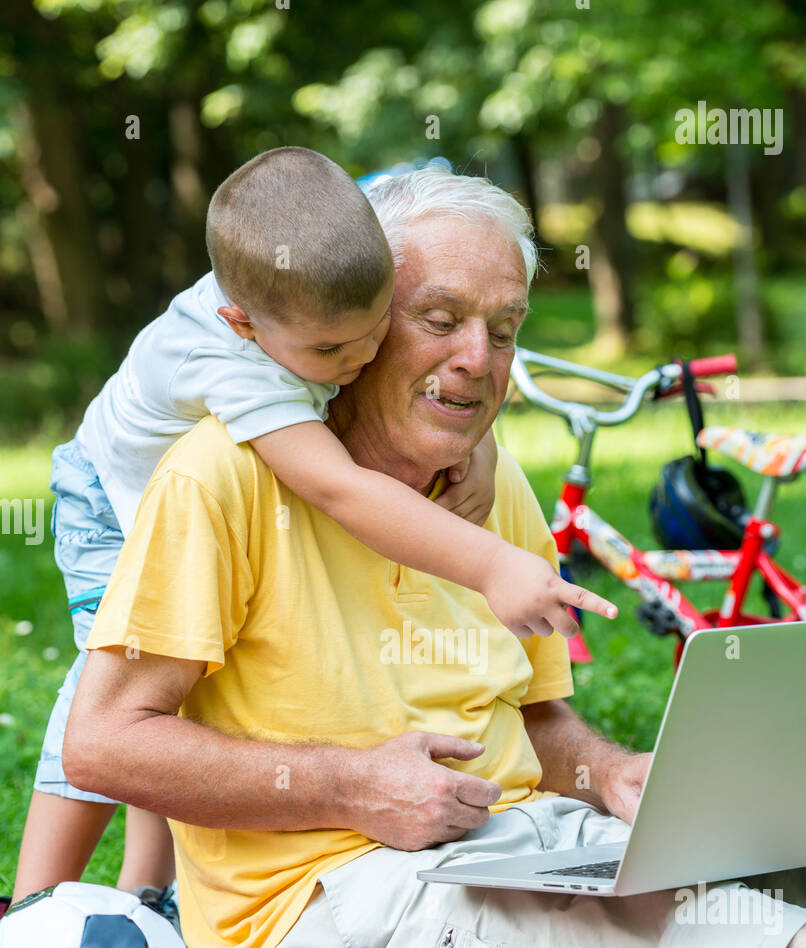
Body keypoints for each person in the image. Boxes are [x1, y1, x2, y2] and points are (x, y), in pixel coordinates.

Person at [63, 168, 806, 948]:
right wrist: (351, 785)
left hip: (531, 845)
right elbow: (104, 743)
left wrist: (611, 775)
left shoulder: (492, 480)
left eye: (504, 329)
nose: (477, 360)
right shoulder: (219, 477)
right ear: (364, 323)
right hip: (336, 902)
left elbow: (535, 717)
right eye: (439, 320)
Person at [13, 149, 614, 906]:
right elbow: (337, 488)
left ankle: (147, 889)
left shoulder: (311, 285)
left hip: (183, 489)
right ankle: (33, 910)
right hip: (110, 498)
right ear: (241, 321)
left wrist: (480, 444)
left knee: (189, 674)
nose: (356, 361)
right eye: (337, 352)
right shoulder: (241, 363)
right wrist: (491, 563)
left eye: (371, 337)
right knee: (116, 679)